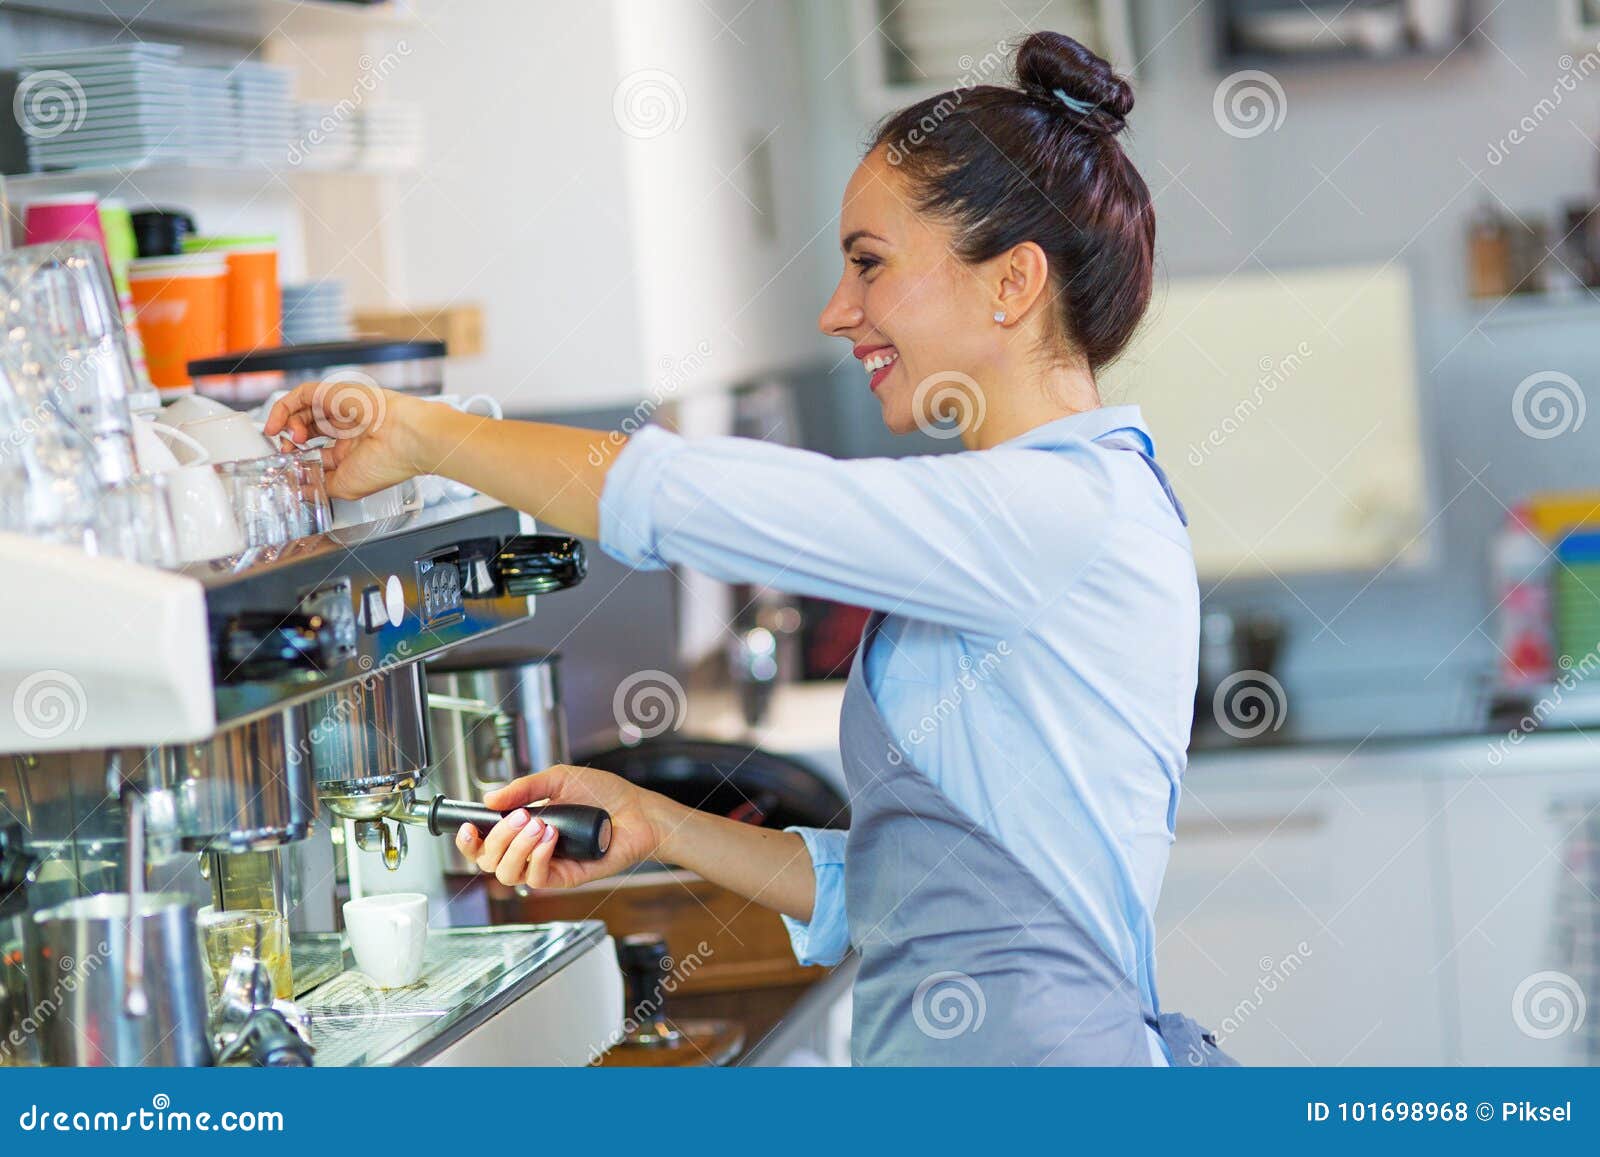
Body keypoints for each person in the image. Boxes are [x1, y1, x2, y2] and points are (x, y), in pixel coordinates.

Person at [266, 30, 1234, 1067]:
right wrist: (659, 823)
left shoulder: (1062, 510)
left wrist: (422, 431)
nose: (836, 310)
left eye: (868, 263)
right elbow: (907, 895)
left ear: (1011, 283)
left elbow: (699, 499)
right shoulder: (1036, 509)